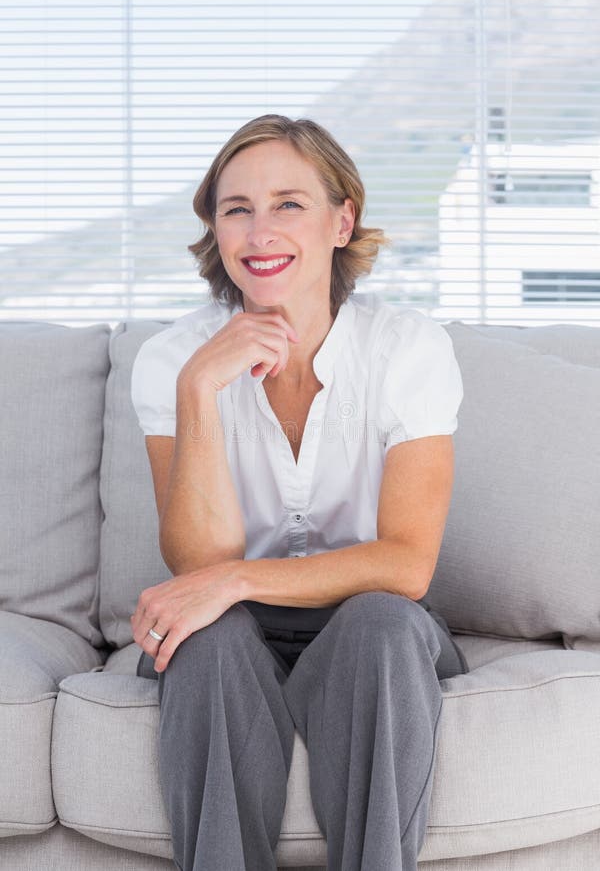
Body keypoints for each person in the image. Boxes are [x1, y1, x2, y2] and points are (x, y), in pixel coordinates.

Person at [130, 113, 469, 871]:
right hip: (233, 631)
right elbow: (198, 563)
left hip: (369, 633)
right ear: (214, 231)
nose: (260, 232)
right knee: (205, 637)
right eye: (235, 209)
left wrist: (238, 578)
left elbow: (406, 566)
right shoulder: (171, 360)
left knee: (382, 622)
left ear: (341, 220)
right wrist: (198, 391)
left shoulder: (407, 348)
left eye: (288, 203)